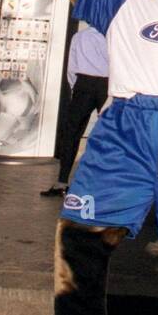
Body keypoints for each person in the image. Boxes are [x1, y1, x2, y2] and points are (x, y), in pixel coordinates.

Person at [41, 25, 109, 197]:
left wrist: (74, 87)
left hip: (83, 83)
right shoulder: (112, 35)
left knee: (72, 132)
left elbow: (72, 66)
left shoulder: (80, 36)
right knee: (109, 133)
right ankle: (102, 183)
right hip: (106, 85)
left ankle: (62, 181)